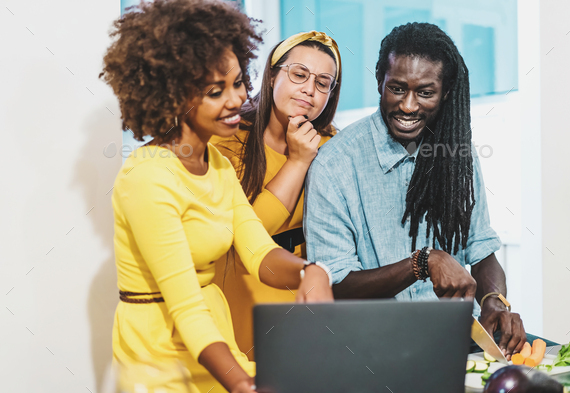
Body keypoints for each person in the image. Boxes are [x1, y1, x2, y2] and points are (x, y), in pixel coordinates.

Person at [100, 1, 333, 392]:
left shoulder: (217, 165)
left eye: (238, 83)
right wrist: (242, 384)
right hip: (160, 358)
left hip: (215, 339)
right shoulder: (147, 177)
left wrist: (310, 271)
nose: (235, 100)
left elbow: (258, 252)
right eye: (214, 91)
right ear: (172, 95)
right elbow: (186, 307)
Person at [304, 22, 539, 361]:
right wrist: (422, 263)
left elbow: (483, 252)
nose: (409, 106)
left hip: (459, 336)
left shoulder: (457, 153)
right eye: (397, 89)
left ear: (445, 92)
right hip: (378, 347)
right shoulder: (335, 164)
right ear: (379, 82)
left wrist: (493, 301)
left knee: (553, 375)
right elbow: (336, 284)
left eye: (425, 92)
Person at [211, 30, 341, 356]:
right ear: (271, 75)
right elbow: (248, 236)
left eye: (323, 83)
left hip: (308, 287)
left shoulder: (331, 144)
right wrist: (297, 161)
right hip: (245, 286)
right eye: (299, 75)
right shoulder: (228, 139)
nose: (309, 90)